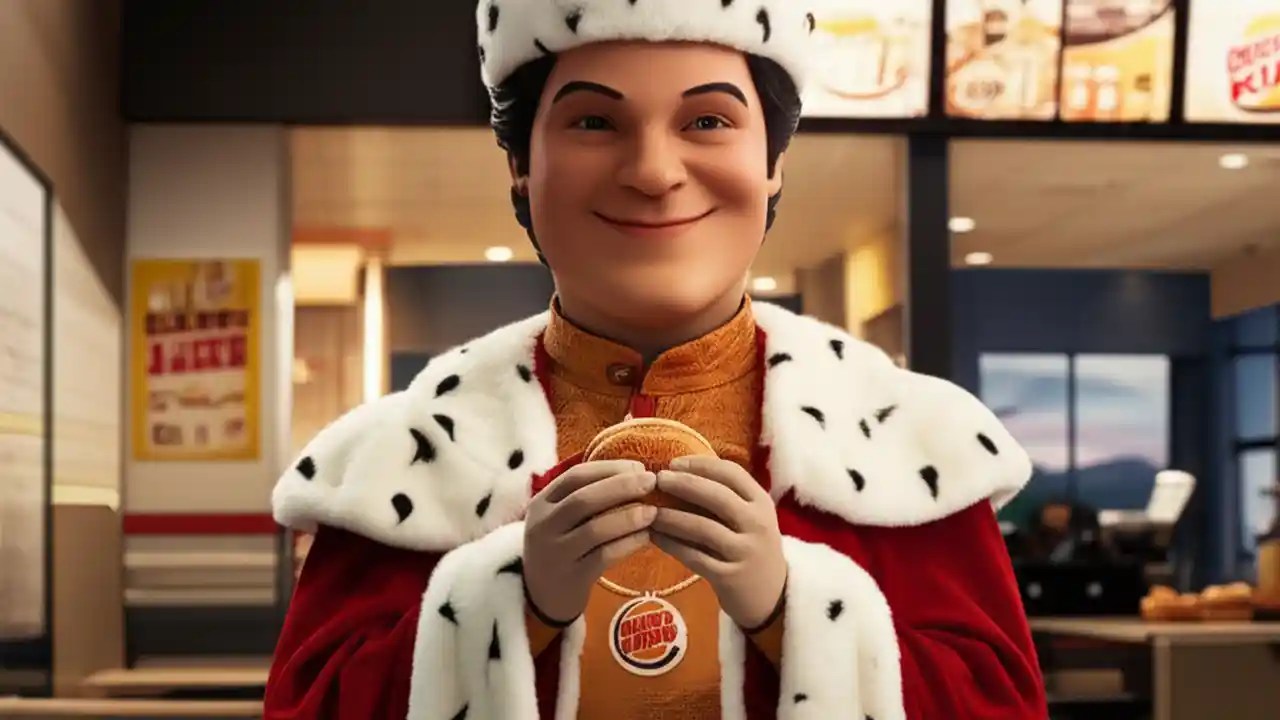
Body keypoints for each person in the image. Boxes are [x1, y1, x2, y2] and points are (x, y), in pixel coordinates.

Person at [264, 1, 1048, 718]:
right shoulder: (404, 459)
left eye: (707, 121)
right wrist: (510, 603)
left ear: (774, 161)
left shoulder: (906, 444)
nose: (652, 172)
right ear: (519, 166)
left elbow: (1001, 703)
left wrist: (794, 609)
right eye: (594, 123)